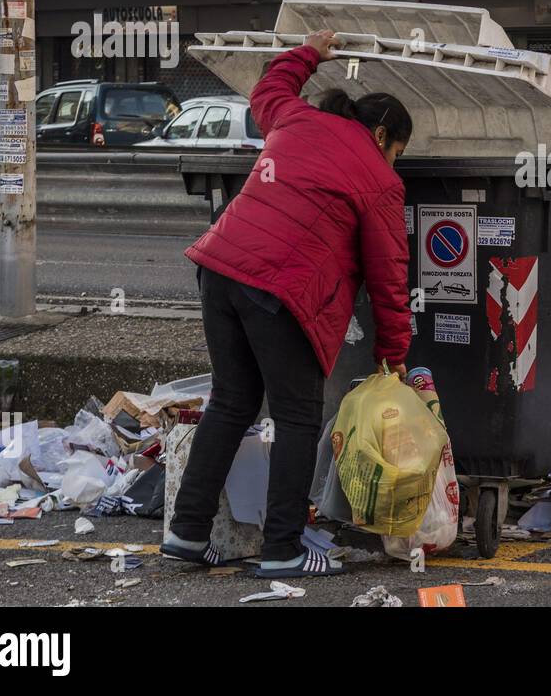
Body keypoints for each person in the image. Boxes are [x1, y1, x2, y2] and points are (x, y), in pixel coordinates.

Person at [160, 29, 413, 578]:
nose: (395, 163)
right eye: (397, 151)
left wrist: (310, 53)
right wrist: (393, 354)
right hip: (279, 290)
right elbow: (390, 274)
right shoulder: (377, 177)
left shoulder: (294, 119)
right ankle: (283, 549)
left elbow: (267, 87)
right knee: (298, 415)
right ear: (381, 133)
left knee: (231, 402)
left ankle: (186, 532)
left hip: (220, 268)